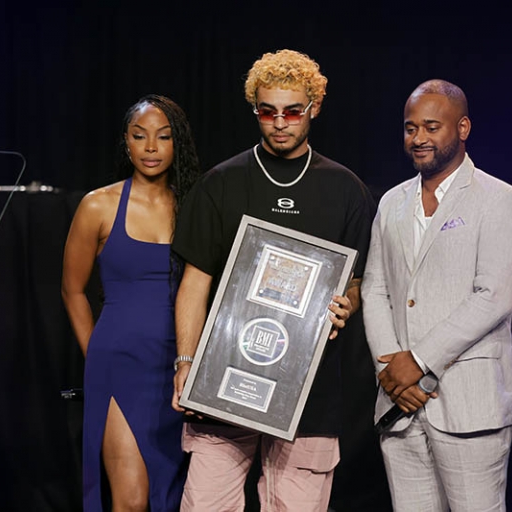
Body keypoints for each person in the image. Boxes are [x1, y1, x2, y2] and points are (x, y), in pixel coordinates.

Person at [170, 49, 376, 511]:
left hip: (310, 388)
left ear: (314, 107)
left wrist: (350, 302)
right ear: (255, 109)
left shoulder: (347, 190)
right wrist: (186, 363)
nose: (279, 122)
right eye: (267, 111)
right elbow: (195, 283)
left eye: (291, 111)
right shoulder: (220, 184)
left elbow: (359, 280)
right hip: (223, 380)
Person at [361, 79, 512, 511]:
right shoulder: (392, 202)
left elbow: (492, 296)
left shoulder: (499, 199)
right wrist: (391, 368)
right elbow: (376, 288)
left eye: (432, 127)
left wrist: (414, 363)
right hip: (400, 402)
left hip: (468, 401)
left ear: (463, 127)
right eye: (410, 128)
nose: (418, 139)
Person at [62, 94, 201, 511]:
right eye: (140, 136)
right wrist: (97, 358)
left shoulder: (193, 206)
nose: (152, 147)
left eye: (163, 137)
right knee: (132, 499)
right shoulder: (98, 205)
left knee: (174, 498)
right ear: (127, 142)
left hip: (178, 368)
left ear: (178, 144)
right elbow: (72, 290)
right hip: (117, 364)